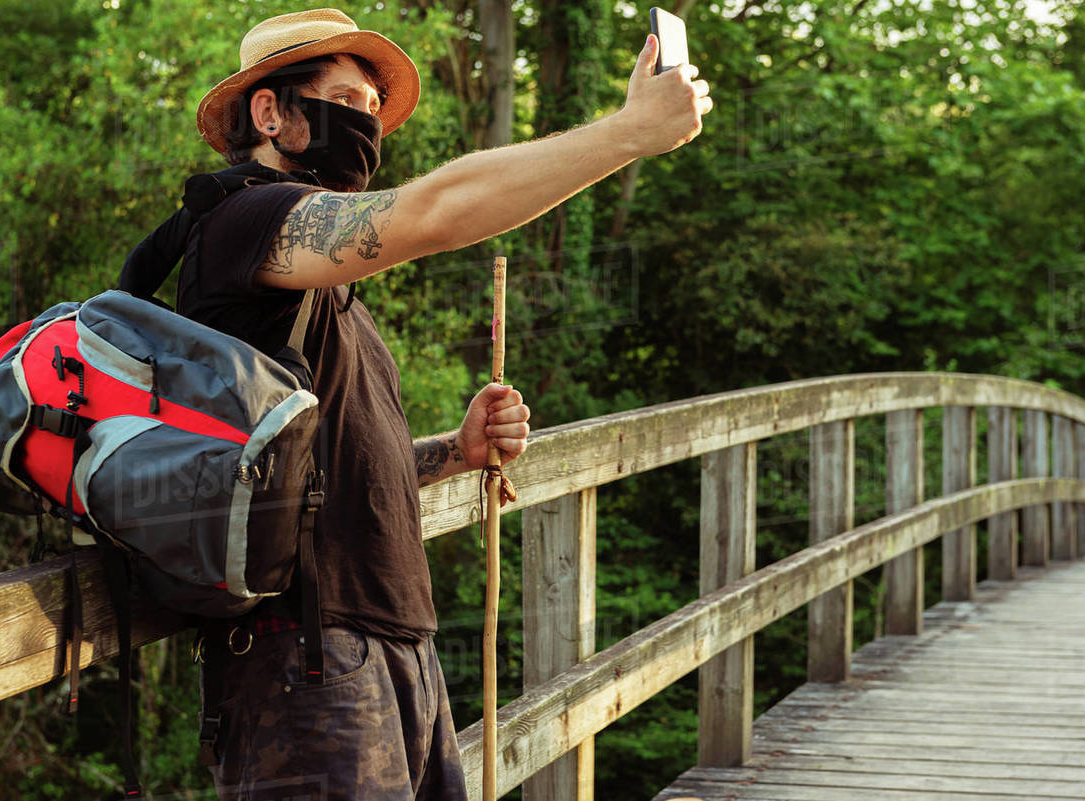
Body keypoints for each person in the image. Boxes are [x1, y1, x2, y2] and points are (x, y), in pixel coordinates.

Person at [177, 7, 710, 800]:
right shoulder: (245, 222)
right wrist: (627, 132)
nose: (368, 127)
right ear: (271, 113)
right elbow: (433, 212)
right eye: (348, 102)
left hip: (393, 646)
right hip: (307, 657)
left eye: (373, 113)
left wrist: (453, 453)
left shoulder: (327, 294)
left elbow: (334, 466)